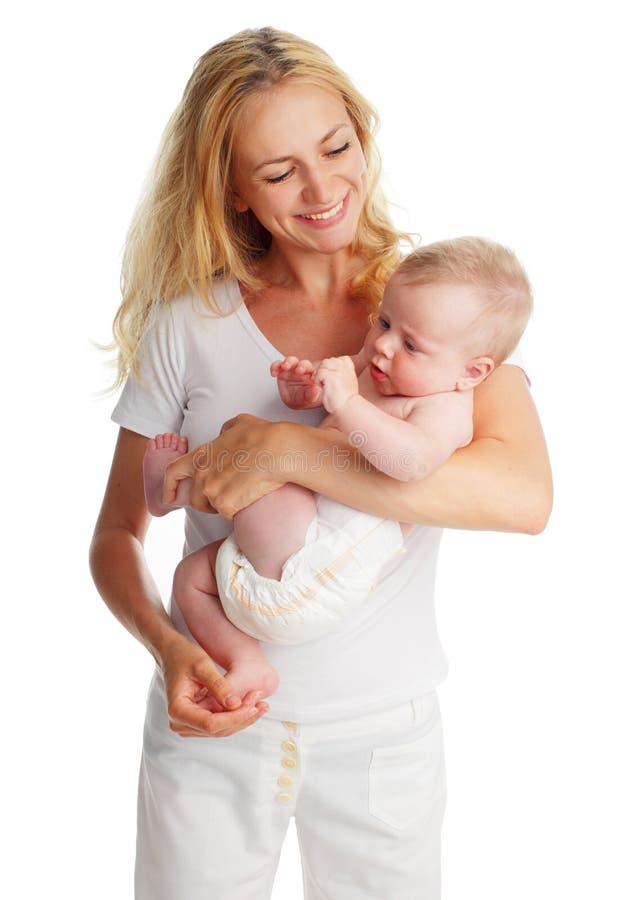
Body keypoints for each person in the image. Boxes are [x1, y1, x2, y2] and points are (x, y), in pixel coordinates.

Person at [90, 26, 552, 900]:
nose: (320, 187)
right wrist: (166, 650)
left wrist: (289, 447)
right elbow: (117, 533)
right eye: (276, 171)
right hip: (219, 730)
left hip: (384, 738)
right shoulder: (188, 327)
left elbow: (525, 500)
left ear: (362, 133)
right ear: (231, 190)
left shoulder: (438, 309)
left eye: (335, 145)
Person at [141, 237, 533, 709]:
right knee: (190, 579)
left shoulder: (444, 407)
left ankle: (183, 487)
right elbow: (318, 402)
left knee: (272, 483)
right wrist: (301, 389)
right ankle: (247, 661)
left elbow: (411, 464)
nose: (384, 345)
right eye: (384, 322)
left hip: (319, 569)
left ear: (472, 372)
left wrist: (346, 404)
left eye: (410, 344)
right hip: (266, 558)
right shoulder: (378, 368)